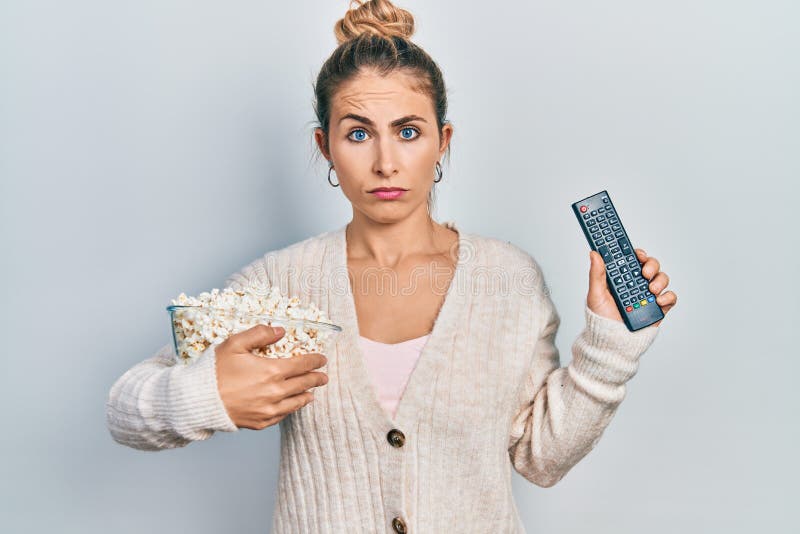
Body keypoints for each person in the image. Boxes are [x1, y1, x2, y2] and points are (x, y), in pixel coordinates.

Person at [106, 1, 677, 532]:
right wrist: (207, 395)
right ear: (325, 147)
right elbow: (126, 409)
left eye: (408, 131)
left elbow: (541, 458)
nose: (385, 162)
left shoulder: (509, 278)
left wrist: (609, 346)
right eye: (358, 134)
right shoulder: (278, 283)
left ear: (442, 141)